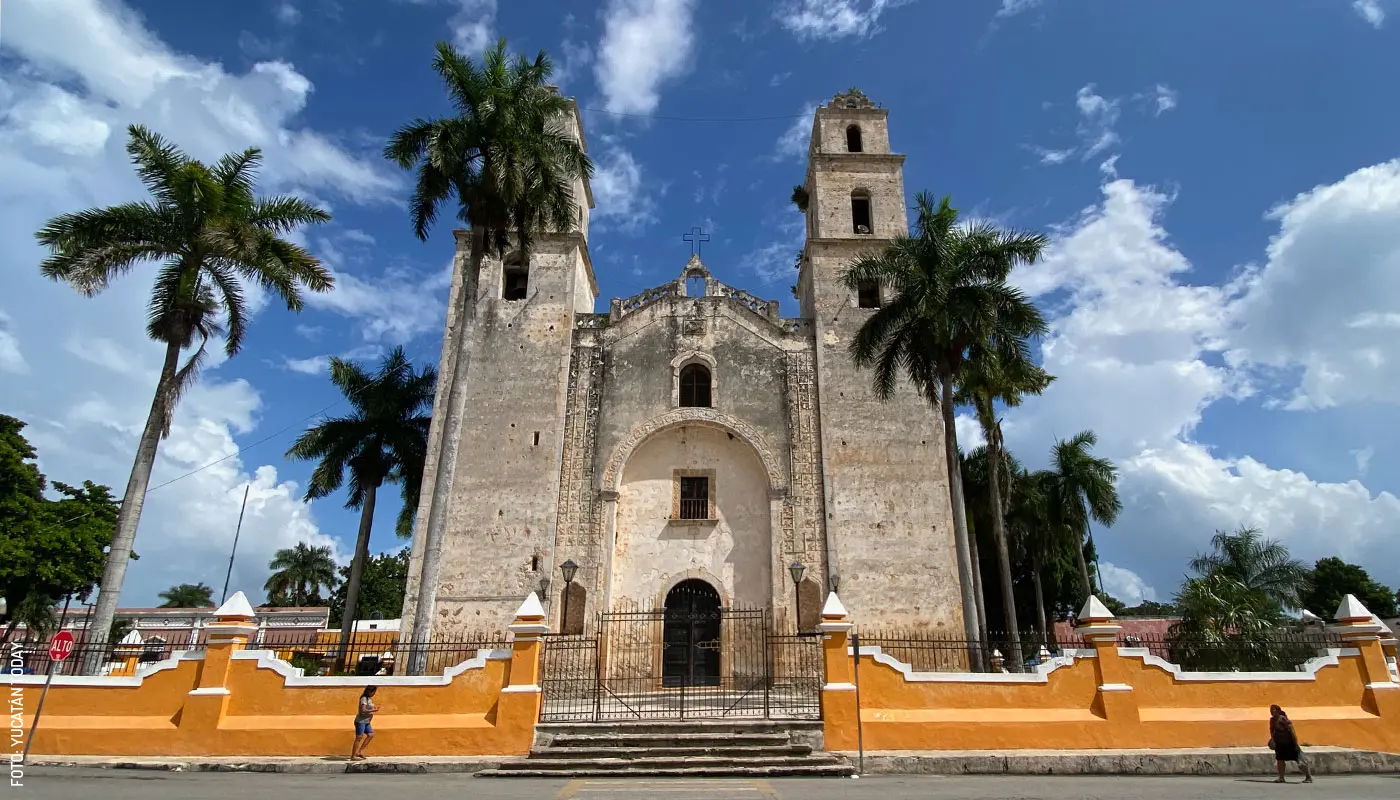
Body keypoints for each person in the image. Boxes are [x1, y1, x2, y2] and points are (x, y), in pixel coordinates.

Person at [1268, 704, 1313, 783]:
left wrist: (1295, 742)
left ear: (1278, 711)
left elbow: (1291, 730)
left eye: (1273, 710)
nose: (1271, 711)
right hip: (1279, 744)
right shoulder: (1272, 720)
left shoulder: (1283, 719)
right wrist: (1273, 740)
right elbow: (1272, 731)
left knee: (1298, 760)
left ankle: (1308, 777)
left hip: (1289, 743)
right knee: (1280, 760)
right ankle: (1281, 778)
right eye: (1270, 710)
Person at [352, 686, 379, 760]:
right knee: (359, 738)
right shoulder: (364, 699)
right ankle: (353, 756)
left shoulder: (368, 699)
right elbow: (362, 710)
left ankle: (360, 751)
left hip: (366, 721)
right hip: (361, 721)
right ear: (369, 692)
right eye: (373, 692)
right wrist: (373, 710)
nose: (374, 694)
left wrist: (373, 708)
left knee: (370, 735)